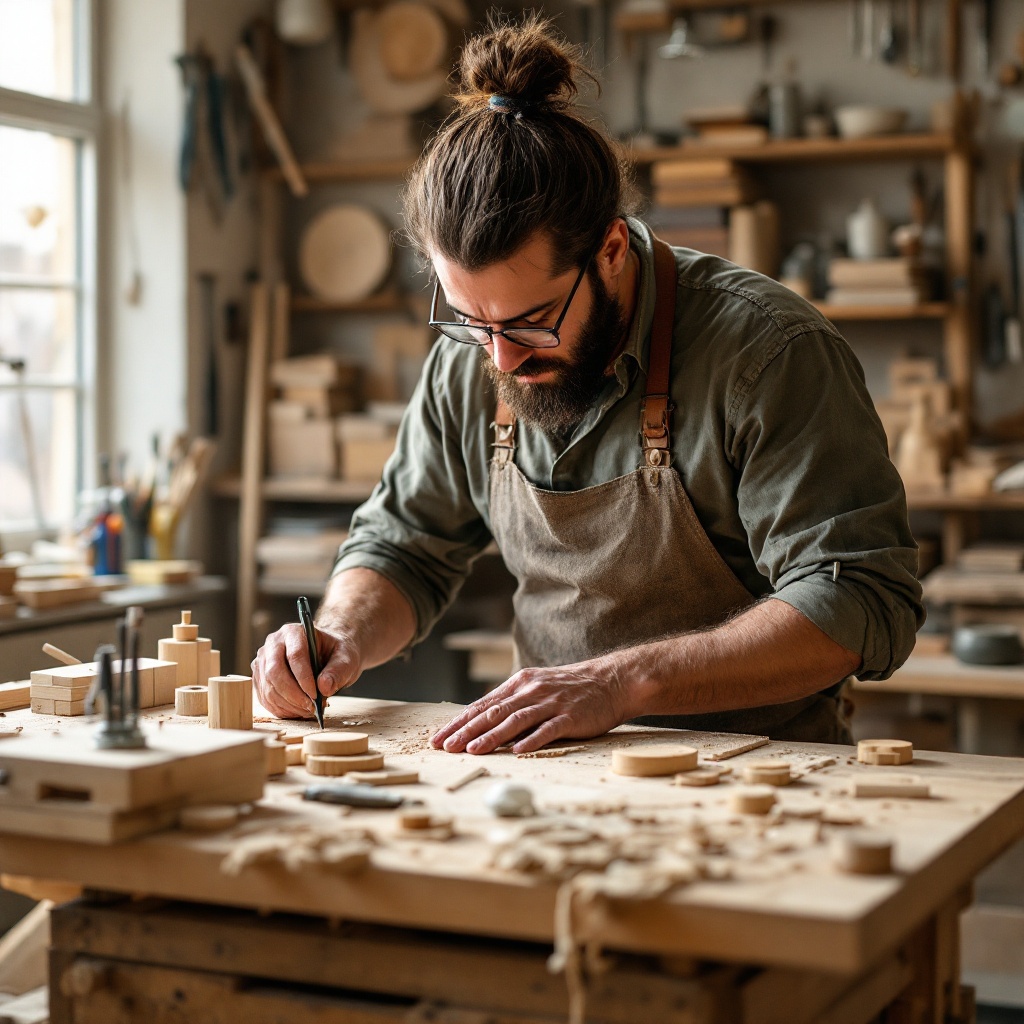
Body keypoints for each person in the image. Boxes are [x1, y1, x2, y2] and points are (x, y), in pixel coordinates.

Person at [252, 15, 923, 754]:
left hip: (758, 776)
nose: (502, 359)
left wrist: (622, 683)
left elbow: (858, 598)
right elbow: (406, 544)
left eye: (533, 322)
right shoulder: (473, 357)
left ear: (609, 249)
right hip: (549, 772)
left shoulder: (766, 352)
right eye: (472, 321)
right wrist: (341, 632)